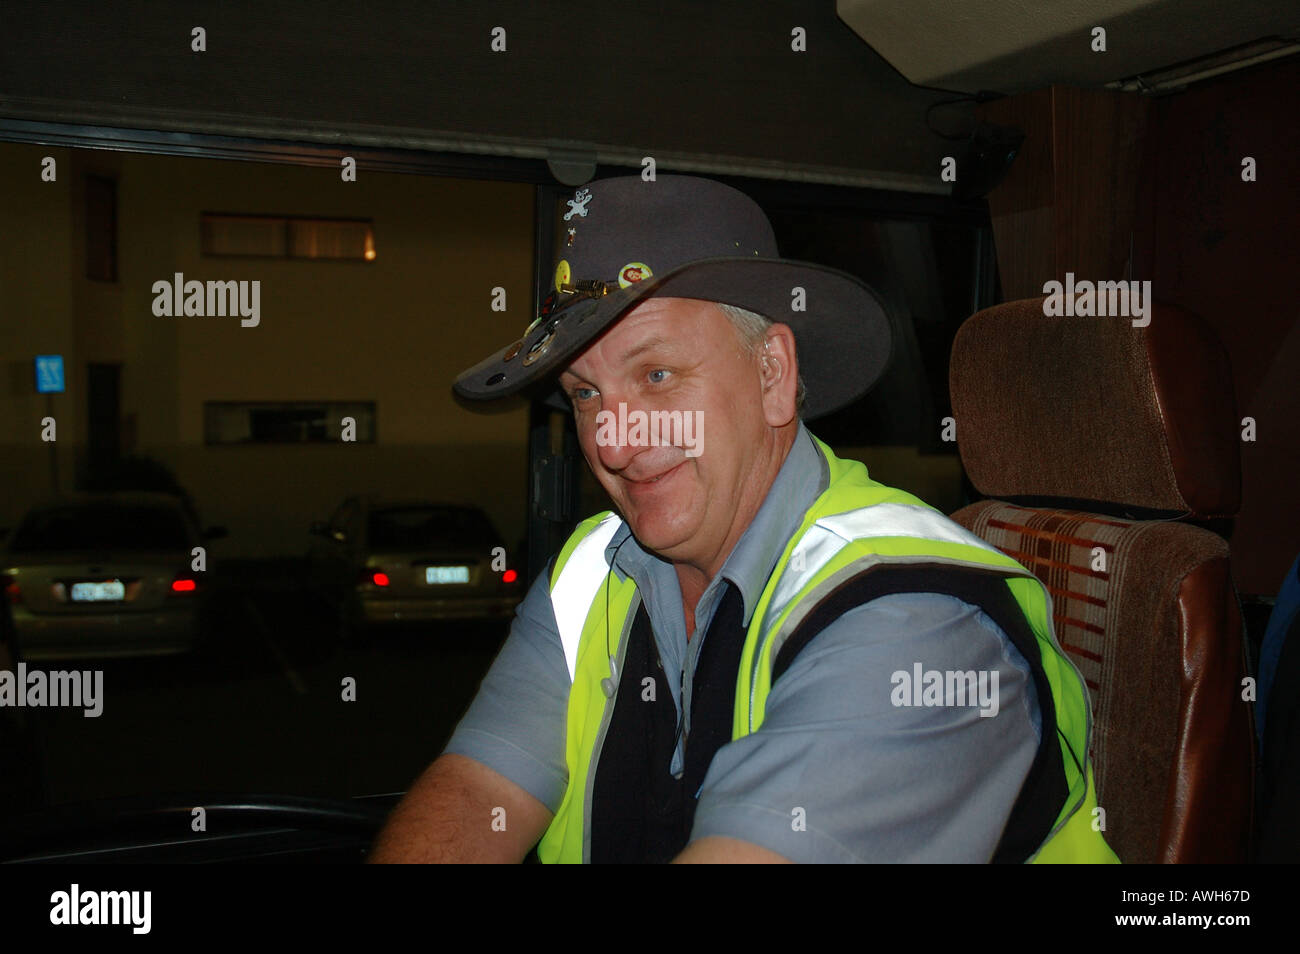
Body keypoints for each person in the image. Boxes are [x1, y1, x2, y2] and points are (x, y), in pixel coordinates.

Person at [369, 174, 1117, 863]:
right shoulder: (591, 570)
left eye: (656, 376)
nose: (612, 442)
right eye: (585, 394)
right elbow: (479, 791)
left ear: (773, 375)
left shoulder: (915, 618)